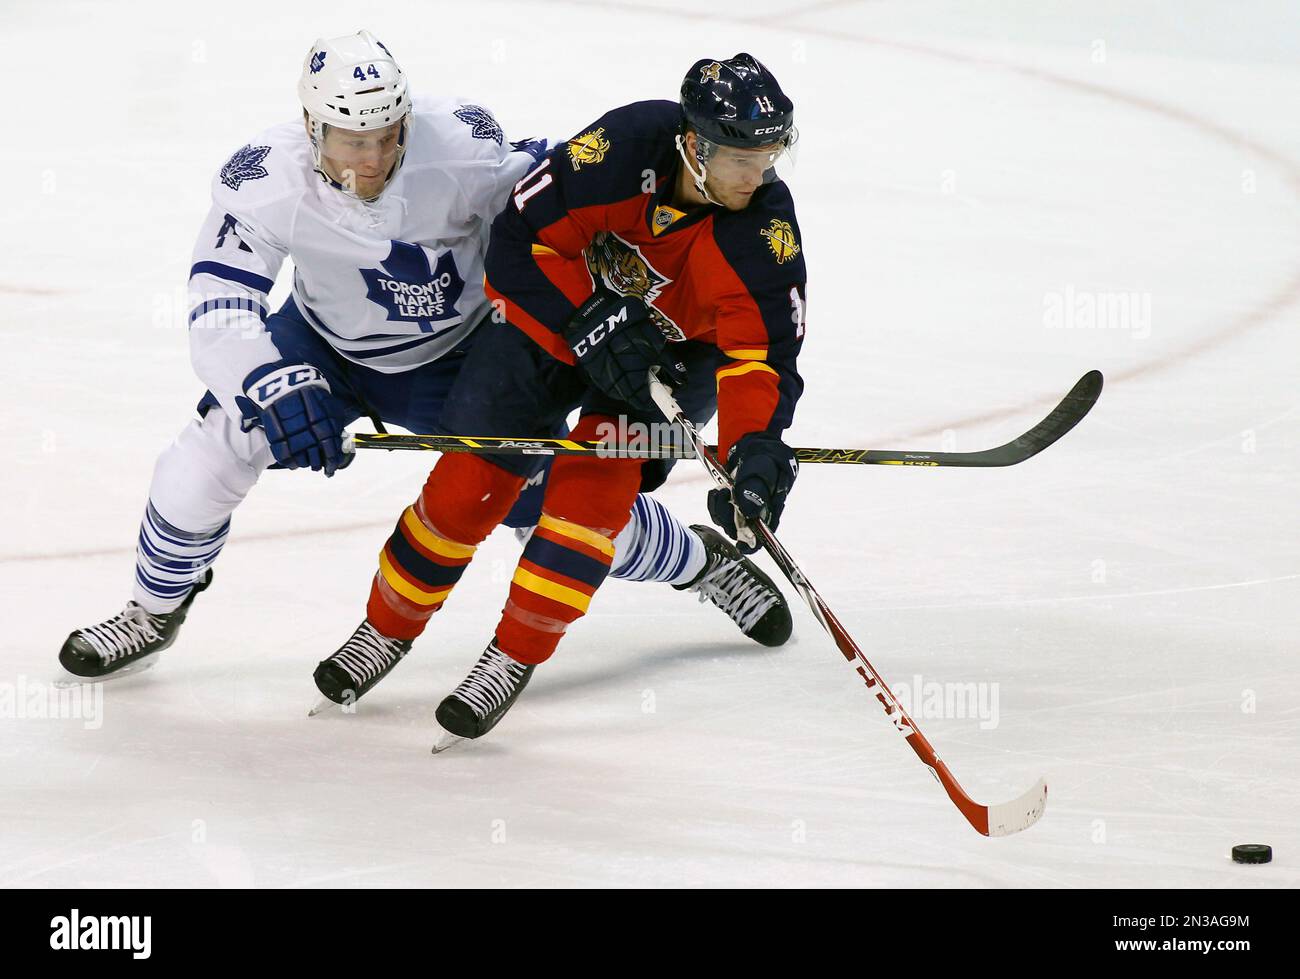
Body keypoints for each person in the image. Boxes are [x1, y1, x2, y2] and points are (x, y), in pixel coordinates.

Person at [59, 34, 792, 693]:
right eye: (350, 139)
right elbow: (218, 303)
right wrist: (269, 381)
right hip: (323, 350)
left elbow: (551, 210)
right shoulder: (263, 177)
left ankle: (699, 562)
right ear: (311, 126)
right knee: (207, 455)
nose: (372, 159)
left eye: (386, 135)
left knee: (549, 504)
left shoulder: (460, 146)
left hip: (462, 357)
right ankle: (152, 612)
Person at [328, 53, 806, 747]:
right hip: (557, 326)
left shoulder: (766, 232)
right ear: (695, 146)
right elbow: (519, 243)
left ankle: (512, 652)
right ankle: (385, 626)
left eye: (769, 158)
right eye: (743, 159)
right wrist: (587, 317)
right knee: (469, 483)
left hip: (672, 365)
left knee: (588, 500)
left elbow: (758, 358)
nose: (758, 176)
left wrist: (753, 449)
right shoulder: (621, 149)